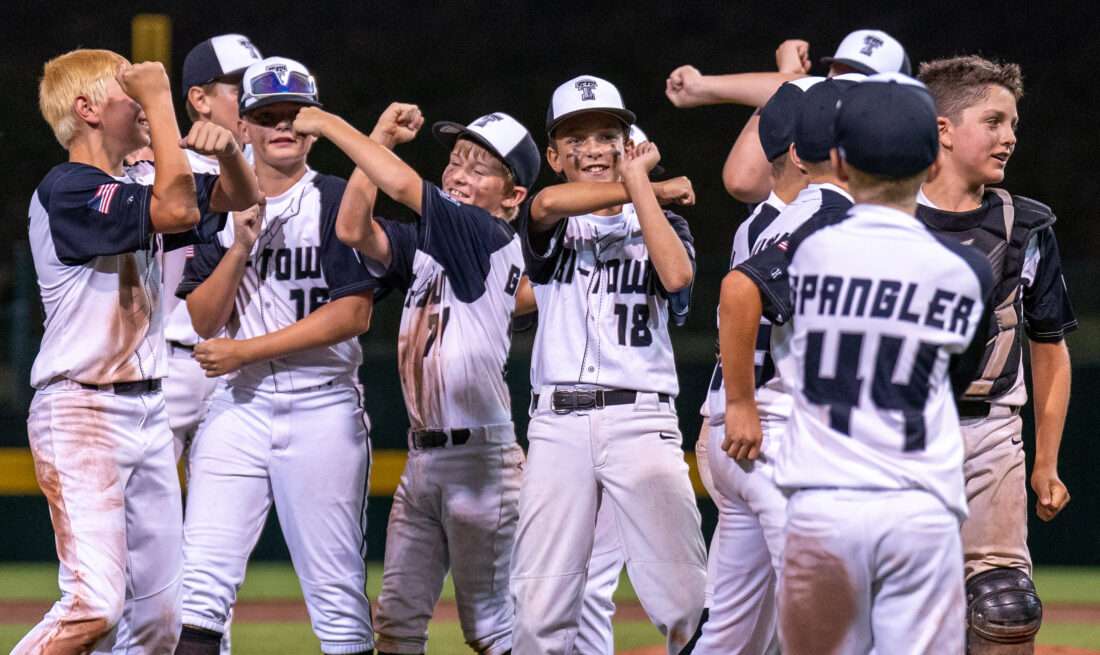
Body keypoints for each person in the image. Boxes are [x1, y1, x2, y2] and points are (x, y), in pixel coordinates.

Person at [722, 74, 992, 654]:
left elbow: (748, 287)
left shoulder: (815, 251)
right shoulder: (967, 272)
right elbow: (956, 378)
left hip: (822, 503)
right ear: (931, 163)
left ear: (838, 164)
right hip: (918, 501)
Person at [17, 48, 256, 654]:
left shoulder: (138, 179)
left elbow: (239, 197)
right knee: (94, 606)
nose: (141, 95)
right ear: (87, 108)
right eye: (125, 89)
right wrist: (159, 98)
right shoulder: (66, 188)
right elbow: (177, 207)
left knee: (159, 625)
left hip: (146, 413)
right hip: (81, 413)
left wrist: (228, 149)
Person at [307, 102, 539, 655]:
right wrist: (379, 136)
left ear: (513, 197)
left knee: (489, 630)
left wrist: (330, 124)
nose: (459, 174)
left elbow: (403, 184)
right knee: (396, 624)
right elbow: (351, 226)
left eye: (480, 169)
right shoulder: (432, 247)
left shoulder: (484, 234)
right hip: (424, 461)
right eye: (457, 160)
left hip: (479, 462)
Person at [173, 56, 378, 655]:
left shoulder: (339, 197)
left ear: (314, 125)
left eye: (295, 114)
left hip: (323, 407)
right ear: (245, 128)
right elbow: (202, 318)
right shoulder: (218, 204)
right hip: (241, 406)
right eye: (267, 115)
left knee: (337, 599)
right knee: (199, 595)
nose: (282, 126)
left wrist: (246, 349)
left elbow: (352, 314)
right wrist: (240, 245)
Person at [511, 74, 706, 655]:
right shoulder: (553, 218)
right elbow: (545, 202)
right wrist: (652, 183)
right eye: (576, 138)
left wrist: (643, 190)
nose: (593, 148)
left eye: (606, 136)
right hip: (557, 424)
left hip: (641, 418)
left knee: (683, 599)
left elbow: (675, 278)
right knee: (540, 605)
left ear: (627, 145)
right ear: (553, 155)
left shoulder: (663, 222)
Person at [916, 55, 1075, 653]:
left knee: (1005, 606)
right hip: (892, 434)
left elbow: (1050, 347)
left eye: (1012, 123)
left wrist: (1046, 460)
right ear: (943, 129)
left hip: (989, 434)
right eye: (994, 120)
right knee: (881, 604)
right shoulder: (878, 218)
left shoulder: (1027, 227)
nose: (1010, 136)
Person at [692, 76, 818, 654]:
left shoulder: (757, 221)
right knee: (820, 614)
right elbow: (741, 291)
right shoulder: (815, 215)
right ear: (800, 151)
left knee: (732, 630)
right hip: (770, 425)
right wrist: (742, 403)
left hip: (737, 429)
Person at [665, 29, 908, 203]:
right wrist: (786, 89)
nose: (838, 85)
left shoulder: (897, 151)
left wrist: (701, 86)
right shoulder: (807, 143)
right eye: (838, 72)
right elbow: (743, 180)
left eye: (856, 78)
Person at [166, 33, 263, 465]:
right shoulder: (162, 168)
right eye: (239, 86)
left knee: (217, 523)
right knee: (145, 522)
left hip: (244, 368)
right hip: (169, 364)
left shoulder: (278, 170)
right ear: (200, 99)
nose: (253, 97)